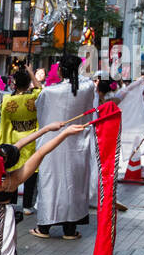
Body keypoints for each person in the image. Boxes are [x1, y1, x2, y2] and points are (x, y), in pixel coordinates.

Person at [0, 123, 89, 255]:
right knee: (5, 253)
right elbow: (40, 152)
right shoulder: (13, 178)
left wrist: (47, 129)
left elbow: (17, 146)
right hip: (3, 218)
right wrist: (60, 133)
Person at [32, 72, 96, 239]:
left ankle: (44, 227)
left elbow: (42, 112)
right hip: (77, 143)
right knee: (74, 185)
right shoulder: (87, 88)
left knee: (50, 183)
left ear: (61, 70)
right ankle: (70, 229)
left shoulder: (51, 91)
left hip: (53, 143)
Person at [0, 69, 44, 213]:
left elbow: (4, 123)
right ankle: (27, 204)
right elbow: (40, 89)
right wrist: (31, 72)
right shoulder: (35, 97)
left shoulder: (8, 100)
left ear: (15, 84)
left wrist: (3, 143)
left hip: (15, 138)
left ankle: (11, 200)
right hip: (32, 136)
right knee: (32, 169)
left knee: (13, 168)